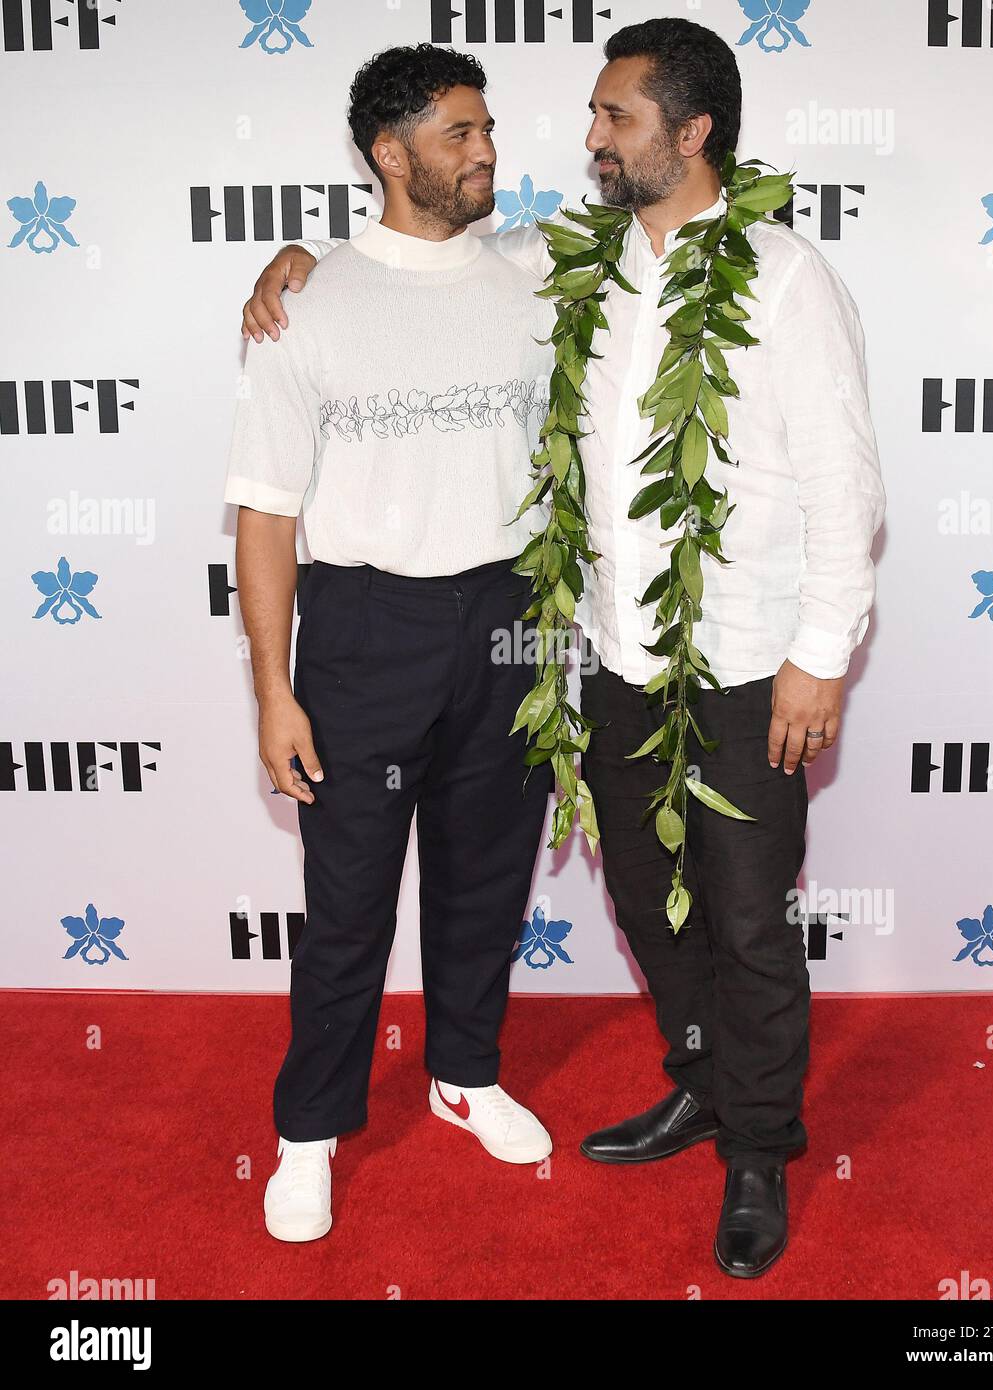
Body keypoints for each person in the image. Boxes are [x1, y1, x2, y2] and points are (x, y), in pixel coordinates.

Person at [241, 18, 885, 1278]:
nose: (569, 140)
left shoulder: (764, 274)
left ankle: (749, 1141)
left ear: (689, 135)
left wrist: (821, 650)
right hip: (550, 647)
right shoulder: (570, 263)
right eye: (465, 132)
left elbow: (843, 481)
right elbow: (279, 484)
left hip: (713, 652)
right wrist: (290, 255)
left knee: (736, 914)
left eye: (612, 120)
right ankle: (337, 1127)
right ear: (391, 152)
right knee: (635, 898)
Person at [223, 42, 556, 1245]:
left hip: (512, 611)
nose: (487, 152)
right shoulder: (305, 302)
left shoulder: (536, 270)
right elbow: (264, 511)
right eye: (460, 133)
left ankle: (463, 1073)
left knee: (483, 875)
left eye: (487, 129)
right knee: (347, 899)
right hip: (365, 626)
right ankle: (308, 1129)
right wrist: (272, 688)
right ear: (388, 152)